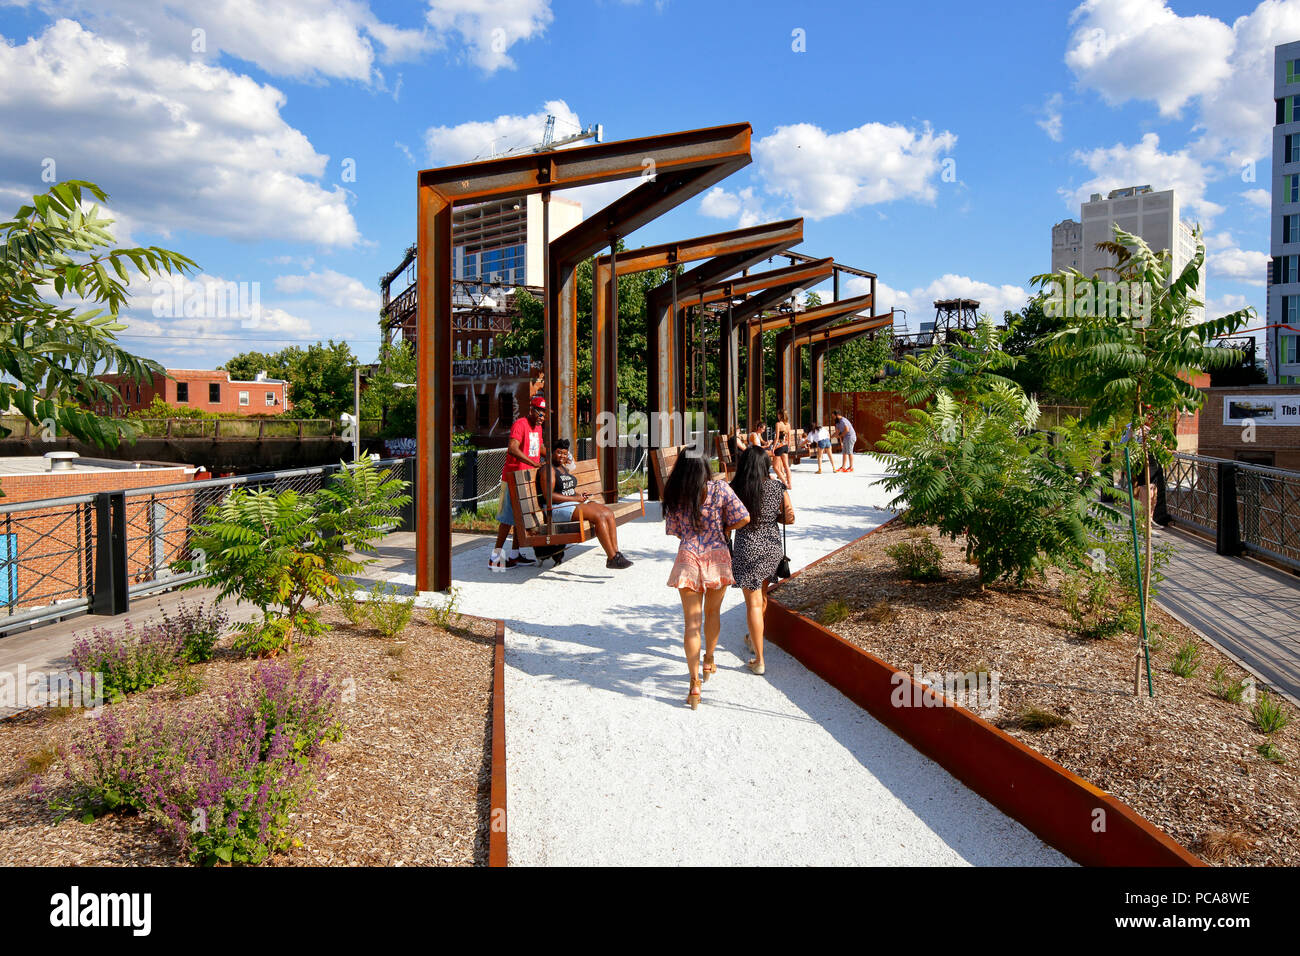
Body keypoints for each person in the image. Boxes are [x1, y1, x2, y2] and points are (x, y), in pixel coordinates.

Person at [662, 454, 749, 710]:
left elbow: (673, 530)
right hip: (717, 555)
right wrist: (725, 528)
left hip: (688, 556)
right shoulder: (720, 488)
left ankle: (694, 683)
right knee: (713, 613)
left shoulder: (677, 494)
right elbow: (744, 517)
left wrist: (692, 534)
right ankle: (709, 659)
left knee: (691, 624)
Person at [730, 445, 794, 676]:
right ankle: (751, 638)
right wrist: (770, 517)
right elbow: (790, 517)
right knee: (762, 597)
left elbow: (727, 520)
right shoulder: (778, 486)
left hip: (747, 548)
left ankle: (759, 659)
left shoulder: (735, 488)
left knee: (753, 603)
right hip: (771, 547)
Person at [535, 438, 633, 569]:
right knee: (598, 517)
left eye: (564, 453)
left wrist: (579, 496)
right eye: (559, 452)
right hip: (555, 509)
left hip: (569, 505)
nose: (562, 456)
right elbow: (549, 496)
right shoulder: (548, 470)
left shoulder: (562, 468)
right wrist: (576, 500)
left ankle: (616, 554)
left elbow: (567, 491)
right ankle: (611, 557)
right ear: (551, 452)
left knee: (607, 513)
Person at [489, 394, 546, 572]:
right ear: (531, 410)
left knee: (519, 520)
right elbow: (513, 448)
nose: (541, 416)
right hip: (513, 478)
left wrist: (556, 455)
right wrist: (532, 462)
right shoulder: (520, 424)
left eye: (544, 413)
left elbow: (540, 448)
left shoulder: (538, 428)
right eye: (539, 412)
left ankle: (515, 555)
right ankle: (495, 558)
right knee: (507, 519)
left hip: (527, 479)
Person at [772, 408, 794, 489]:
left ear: (780, 415)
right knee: (786, 466)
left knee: (775, 467)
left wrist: (773, 448)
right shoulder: (788, 425)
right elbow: (789, 438)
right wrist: (788, 446)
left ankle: (785, 483)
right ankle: (790, 484)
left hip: (779, 446)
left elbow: (777, 437)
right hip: (785, 446)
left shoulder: (778, 424)